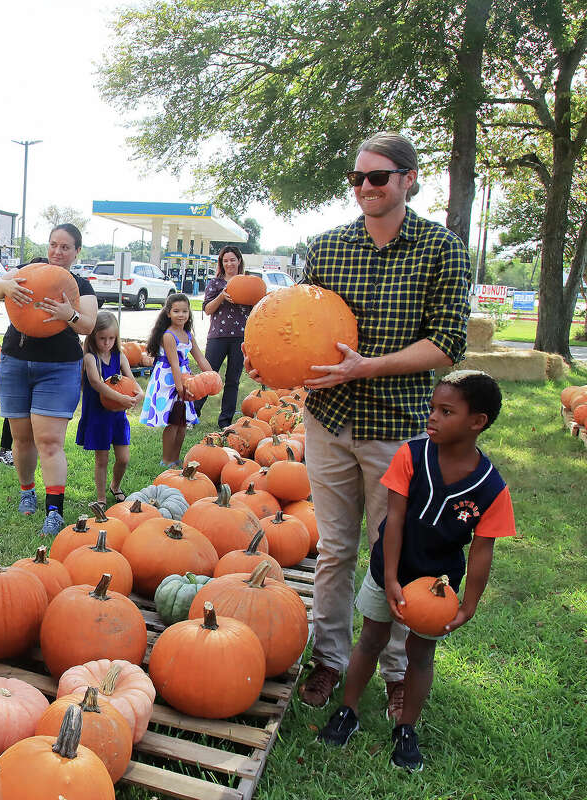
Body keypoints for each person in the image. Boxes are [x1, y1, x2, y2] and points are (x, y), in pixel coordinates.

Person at [247, 132, 471, 718]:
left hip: (394, 425)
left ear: (408, 178)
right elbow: (297, 324)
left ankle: (397, 669)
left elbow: (447, 342)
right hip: (328, 421)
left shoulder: (440, 249)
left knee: (394, 551)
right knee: (335, 549)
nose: (365, 188)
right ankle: (329, 659)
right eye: (357, 178)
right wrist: (269, 357)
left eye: (378, 177)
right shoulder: (327, 248)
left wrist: (369, 367)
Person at [316, 371, 513, 771]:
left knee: (420, 655)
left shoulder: (492, 487)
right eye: (432, 409)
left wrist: (468, 605)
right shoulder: (411, 454)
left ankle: (406, 729)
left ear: (478, 422)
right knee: (370, 638)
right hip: (390, 568)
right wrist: (388, 577)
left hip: (436, 587)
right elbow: (395, 519)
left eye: (446, 411)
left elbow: (481, 550)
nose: (433, 418)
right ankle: (347, 711)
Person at [0, 224, 98, 534]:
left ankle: (55, 510)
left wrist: (69, 314)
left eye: (65, 247)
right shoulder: (29, 271)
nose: (57, 252)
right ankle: (27, 493)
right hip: (16, 363)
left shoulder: (80, 286)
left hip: (59, 368)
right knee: (22, 439)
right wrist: (6, 288)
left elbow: (88, 324)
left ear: (77, 252)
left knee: (49, 441)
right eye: (53, 245)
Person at [76, 311, 143, 504]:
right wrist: (122, 398)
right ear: (93, 337)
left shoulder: (119, 355)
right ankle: (101, 497)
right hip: (98, 416)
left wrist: (140, 392)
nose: (107, 343)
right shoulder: (90, 358)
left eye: (111, 338)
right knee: (102, 459)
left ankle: (115, 485)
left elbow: (130, 378)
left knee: (123, 458)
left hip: (117, 416)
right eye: (102, 338)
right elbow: (97, 384)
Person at [140, 293, 211, 467]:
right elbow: (173, 364)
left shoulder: (188, 334)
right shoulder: (168, 336)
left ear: (189, 313)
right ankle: (166, 459)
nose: (181, 315)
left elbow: (200, 358)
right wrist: (179, 388)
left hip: (185, 379)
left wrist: (212, 376)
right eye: (177, 311)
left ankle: (176, 458)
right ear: (168, 313)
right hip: (168, 380)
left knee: (182, 422)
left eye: (185, 311)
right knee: (172, 421)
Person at [197, 246, 252, 428]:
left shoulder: (248, 282)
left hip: (240, 337)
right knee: (208, 376)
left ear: (239, 261)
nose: (229, 263)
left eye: (232, 260)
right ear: (222, 263)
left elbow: (256, 309)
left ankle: (225, 421)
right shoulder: (215, 284)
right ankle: (193, 415)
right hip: (218, 336)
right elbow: (207, 309)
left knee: (233, 380)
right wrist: (222, 296)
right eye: (225, 260)